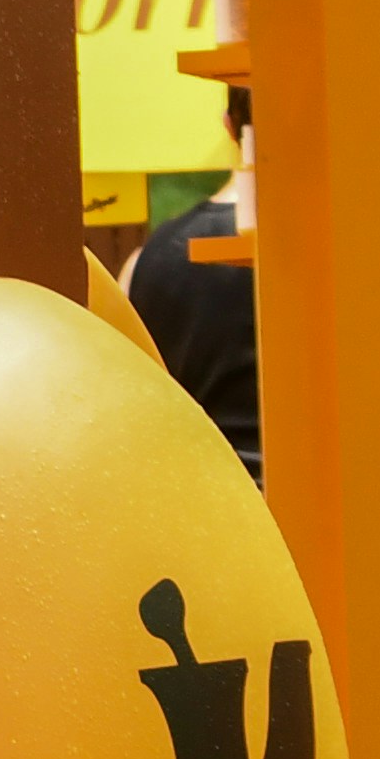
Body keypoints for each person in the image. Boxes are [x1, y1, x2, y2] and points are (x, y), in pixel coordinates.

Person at [127, 89, 263, 477]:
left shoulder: (145, 260)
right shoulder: (336, 251)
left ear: (228, 125)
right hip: (331, 500)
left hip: (205, 497)